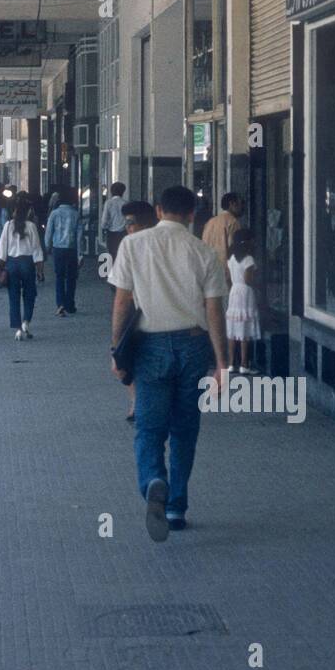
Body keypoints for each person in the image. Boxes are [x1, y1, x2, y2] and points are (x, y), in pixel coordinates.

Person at [109, 185, 228, 541]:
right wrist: (222, 362)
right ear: (193, 214)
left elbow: (122, 303)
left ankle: (152, 481)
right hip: (193, 346)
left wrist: (117, 350)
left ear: (159, 210)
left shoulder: (132, 245)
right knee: (184, 429)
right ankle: (176, 507)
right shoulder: (204, 253)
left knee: (148, 427)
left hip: (151, 347)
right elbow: (214, 311)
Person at [119, 200, 157, 422]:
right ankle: (136, 401)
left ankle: (143, 402)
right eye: (126, 223)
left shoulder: (159, 245)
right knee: (127, 359)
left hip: (154, 310)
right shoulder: (128, 244)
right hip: (134, 310)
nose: (127, 227)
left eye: (131, 223)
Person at [0, 192, 44, 341]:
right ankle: (26, 322)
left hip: (11, 264)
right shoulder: (31, 226)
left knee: (13, 297)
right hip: (27, 263)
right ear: (27, 211)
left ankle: (17, 329)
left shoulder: (8, 226)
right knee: (30, 295)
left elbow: (2, 248)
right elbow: (37, 249)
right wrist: (40, 270)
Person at [45, 185, 85, 316]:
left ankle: (60, 304)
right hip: (72, 249)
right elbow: (79, 236)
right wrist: (80, 253)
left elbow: (49, 232)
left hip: (58, 249)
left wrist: (47, 247)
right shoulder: (75, 214)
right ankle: (70, 304)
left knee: (59, 277)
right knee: (71, 278)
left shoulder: (54, 213)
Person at [226, 229, 261, 374]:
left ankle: (230, 364)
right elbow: (248, 280)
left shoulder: (231, 258)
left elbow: (228, 276)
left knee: (233, 329)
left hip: (234, 291)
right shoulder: (249, 259)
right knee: (244, 328)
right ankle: (244, 364)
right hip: (245, 293)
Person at [202, 192, 245, 281]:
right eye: (241, 203)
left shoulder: (210, 222)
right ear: (232, 204)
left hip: (209, 270)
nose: (242, 207)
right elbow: (234, 248)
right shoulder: (233, 222)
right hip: (226, 272)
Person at [100, 182, 128, 261]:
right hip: (123, 232)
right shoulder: (125, 203)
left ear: (111, 192)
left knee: (112, 255)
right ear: (123, 191)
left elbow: (104, 220)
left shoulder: (108, 203)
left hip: (111, 234)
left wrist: (104, 227)